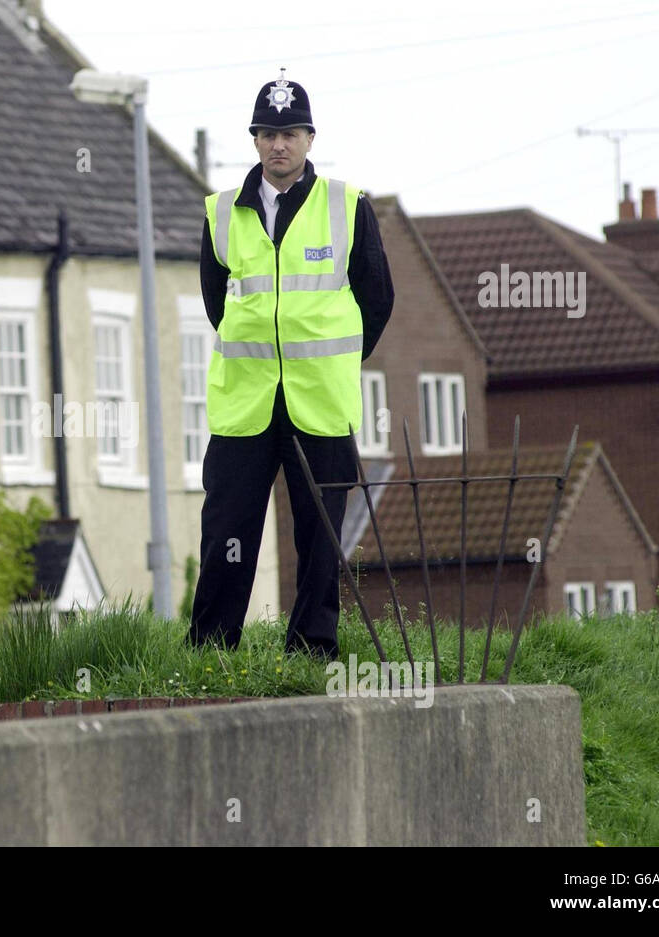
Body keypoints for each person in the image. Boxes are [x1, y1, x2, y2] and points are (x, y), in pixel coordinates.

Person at [188, 70, 394, 660]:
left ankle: (312, 645)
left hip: (319, 400)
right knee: (228, 526)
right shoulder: (222, 213)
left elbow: (377, 297)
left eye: (291, 132)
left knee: (320, 532)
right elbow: (215, 301)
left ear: (309, 139)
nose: (280, 144)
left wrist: (337, 362)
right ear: (254, 140)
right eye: (269, 133)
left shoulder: (347, 207)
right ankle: (212, 648)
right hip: (246, 399)